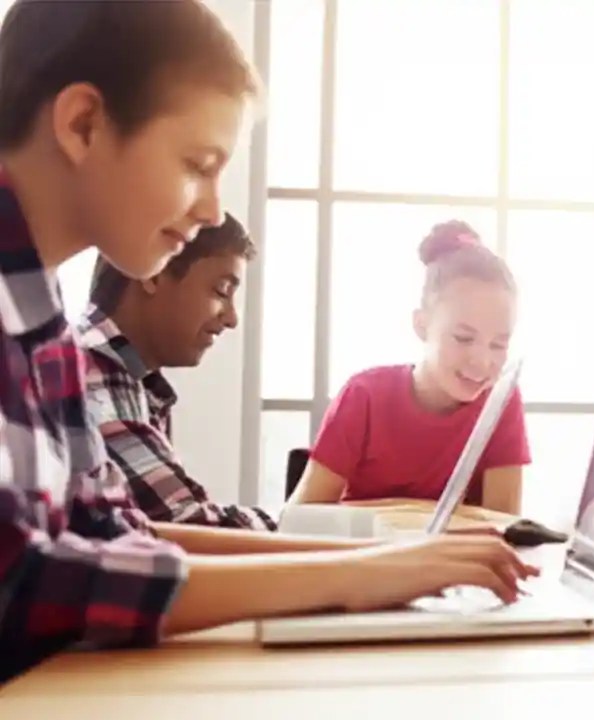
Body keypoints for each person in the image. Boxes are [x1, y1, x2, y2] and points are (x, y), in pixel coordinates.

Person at [0, 0, 530, 682]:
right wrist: (357, 576)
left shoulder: (41, 322)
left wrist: (380, 565)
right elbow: (25, 587)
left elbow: (110, 531)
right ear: (83, 124)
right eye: (198, 163)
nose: (213, 207)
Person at [289, 220, 531, 514]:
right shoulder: (364, 396)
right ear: (422, 325)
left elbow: (503, 522)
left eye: (499, 344)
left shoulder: (501, 400)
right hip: (365, 545)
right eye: (463, 338)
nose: (482, 361)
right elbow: (298, 518)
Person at [79, 214, 278, 529]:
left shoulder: (131, 378)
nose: (232, 318)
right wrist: (302, 524)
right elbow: (185, 522)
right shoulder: (92, 371)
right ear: (154, 272)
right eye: (221, 290)